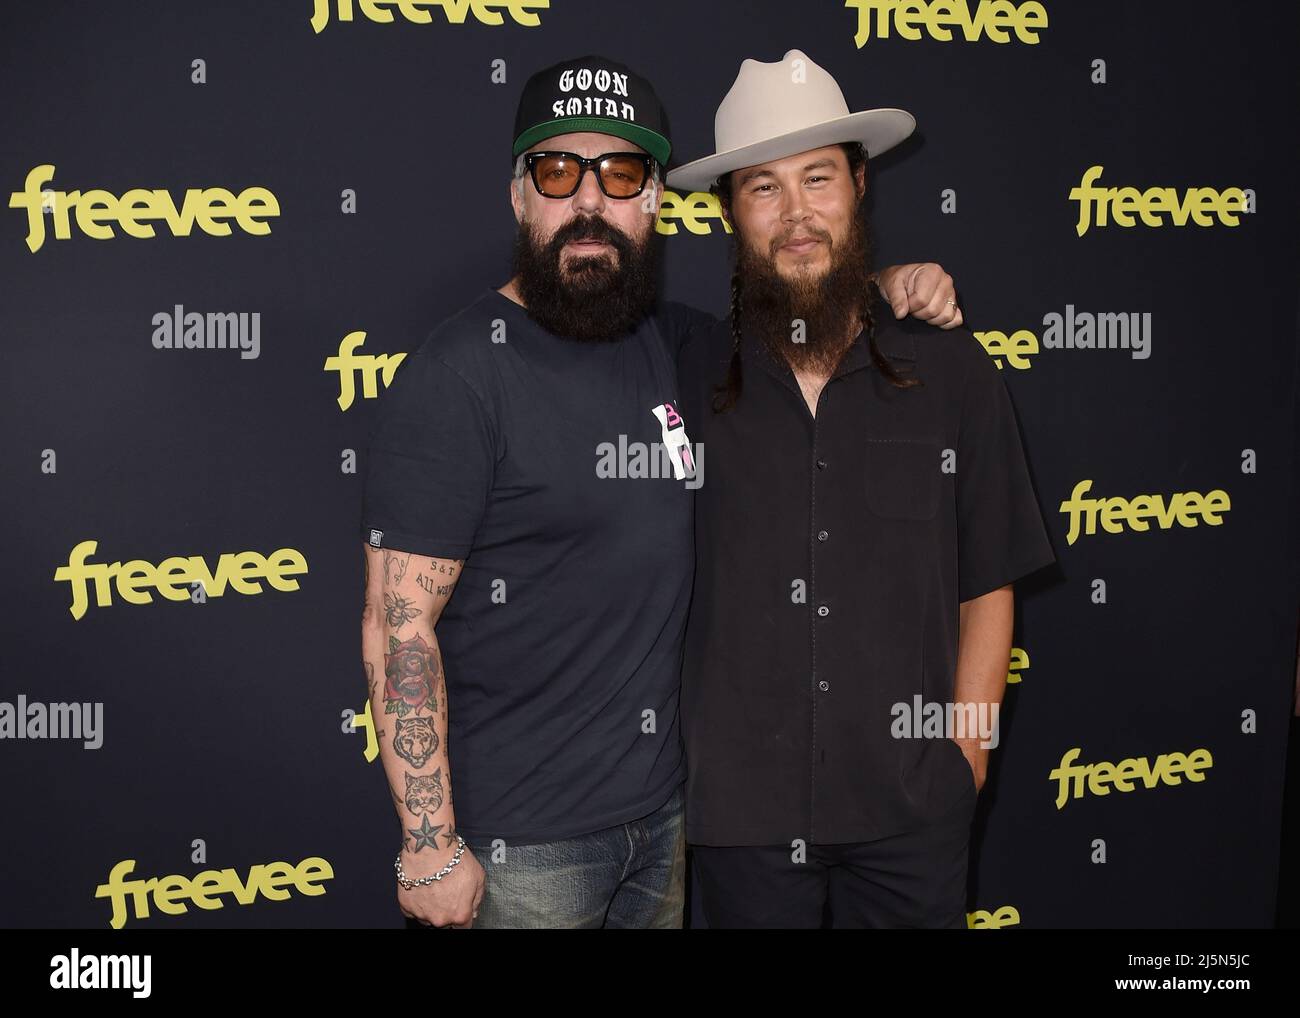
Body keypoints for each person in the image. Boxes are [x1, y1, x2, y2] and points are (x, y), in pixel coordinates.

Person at [358, 54, 960, 929]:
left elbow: (797, 316)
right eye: (559, 172)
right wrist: (428, 843)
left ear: (653, 203)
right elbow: (394, 622)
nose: (589, 202)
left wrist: (884, 286)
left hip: (666, 827)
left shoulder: (671, 345)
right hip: (519, 848)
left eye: (622, 173)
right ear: (520, 196)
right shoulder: (455, 378)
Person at [667, 49, 1058, 928]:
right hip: (741, 820)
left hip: (914, 812)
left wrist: (968, 750)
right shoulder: (686, 371)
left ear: (860, 185)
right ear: (732, 211)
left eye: (818, 179)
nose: (797, 214)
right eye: (764, 188)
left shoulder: (952, 371)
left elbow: (987, 581)